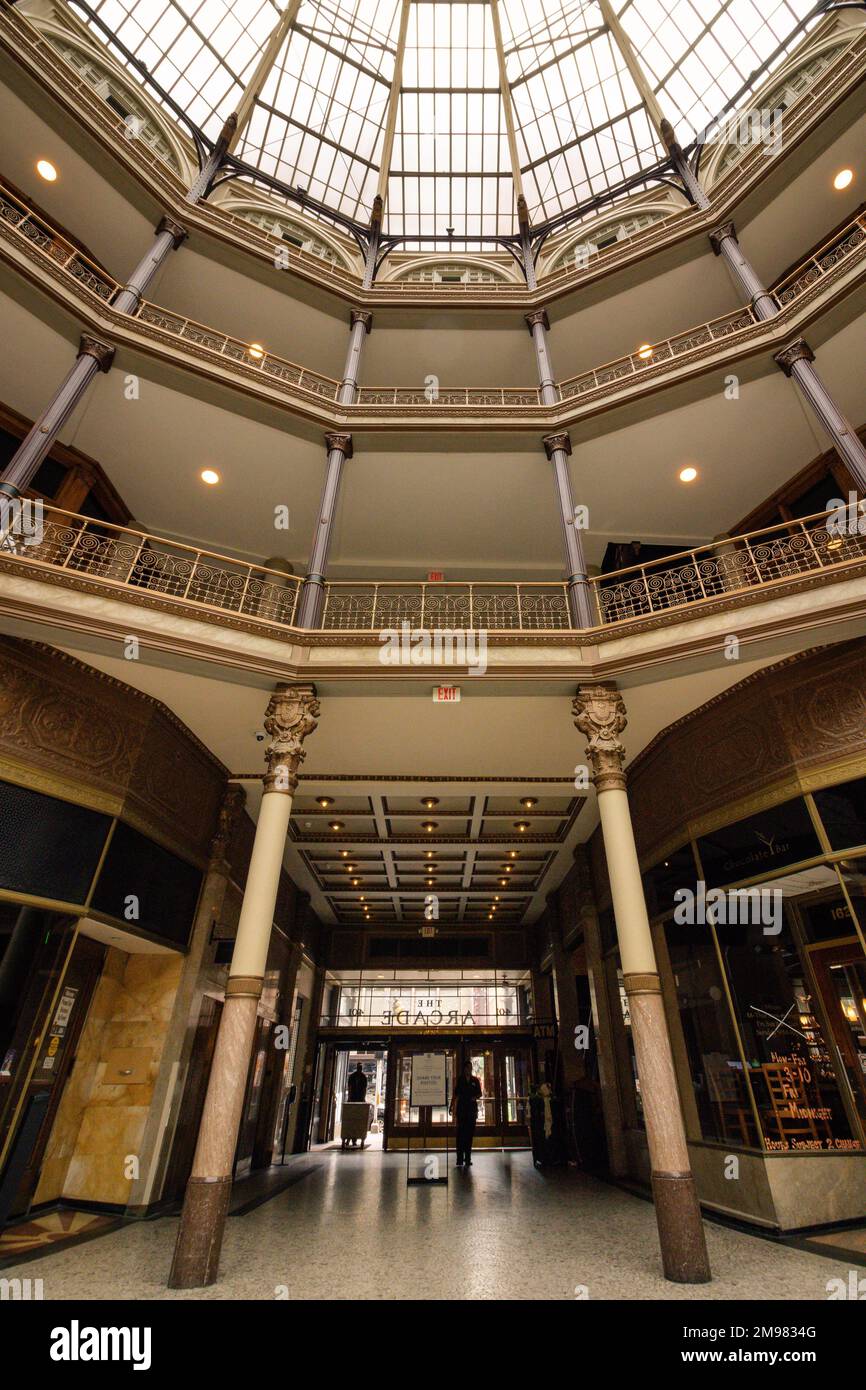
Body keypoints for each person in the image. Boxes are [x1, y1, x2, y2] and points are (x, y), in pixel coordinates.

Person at [451, 1061, 482, 1169]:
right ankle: (459, 1159)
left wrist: (475, 1097)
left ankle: (468, 1159)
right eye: (467, 1068)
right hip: (462, 1111)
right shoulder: (460, 1080)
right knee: (460, 1135)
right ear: (464, 1069)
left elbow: (480, 1093)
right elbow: (455, 1094)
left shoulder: (475, 1080)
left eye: (470, 1068)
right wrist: (452, 1106)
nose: (469, 1069)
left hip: (471, 1111)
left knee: (469, 1135)